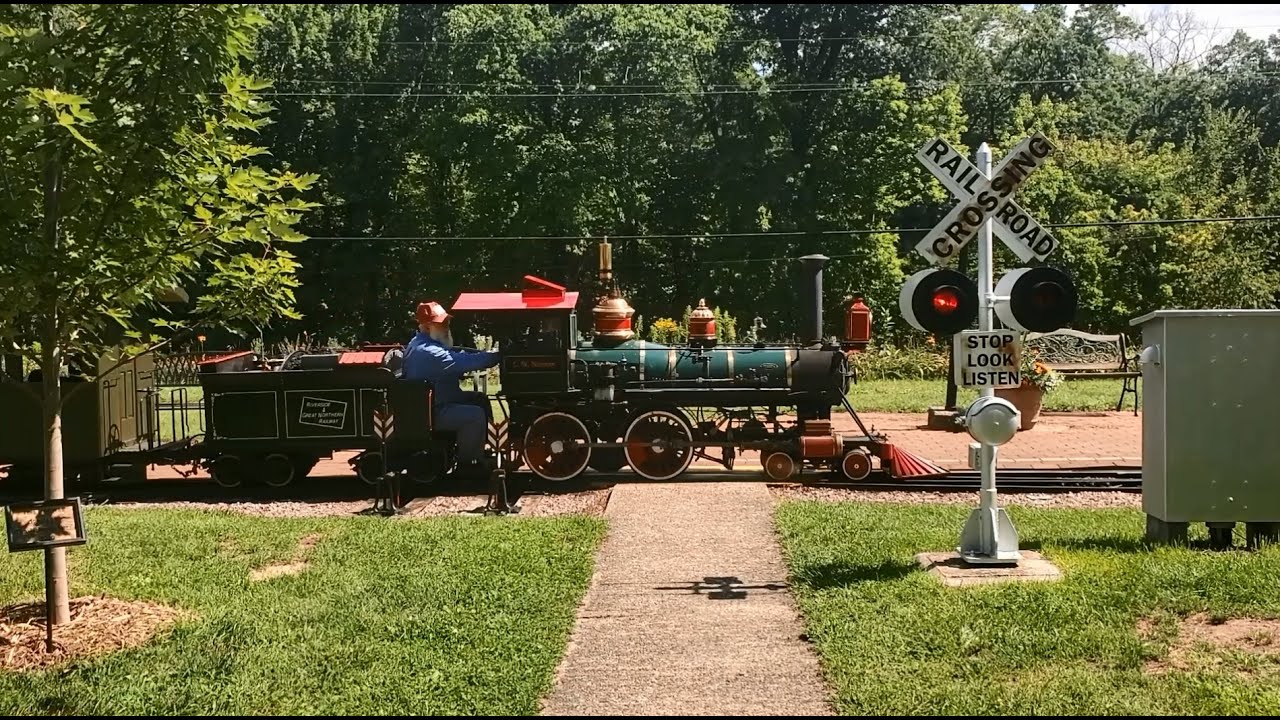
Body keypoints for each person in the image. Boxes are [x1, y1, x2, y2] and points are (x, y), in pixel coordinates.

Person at [401, 301, 502, 480]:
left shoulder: (418, 343)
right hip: (435, 411)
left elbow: (456, 357)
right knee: (475, 415)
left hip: (436, 401)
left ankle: (480, 450)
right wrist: (499, 355)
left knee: (479, 398)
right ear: (426, 326)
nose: (447, 327)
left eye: (447, 322)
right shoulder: (429, 352)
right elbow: (466, 363)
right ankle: (468, 463)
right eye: (442, 323)